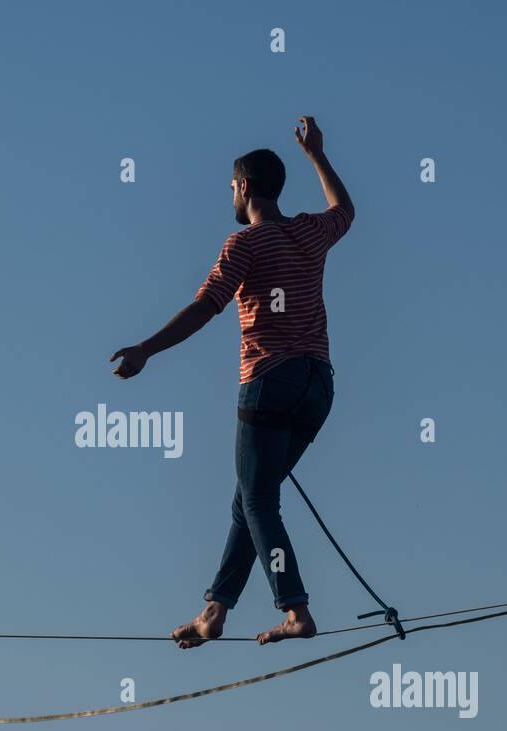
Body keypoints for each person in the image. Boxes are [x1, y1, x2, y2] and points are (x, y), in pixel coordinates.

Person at [110, 116, 355, 648]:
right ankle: (214, 612)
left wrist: (145, 350)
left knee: (259, 499)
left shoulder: (245, 243)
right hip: (319, 385)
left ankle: (295, 609)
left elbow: (206, 307)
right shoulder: (309, 232)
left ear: (243, 186)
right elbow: (345, 212)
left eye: (230, 185)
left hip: (269, 381)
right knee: (251, 496)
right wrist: (317, 154)